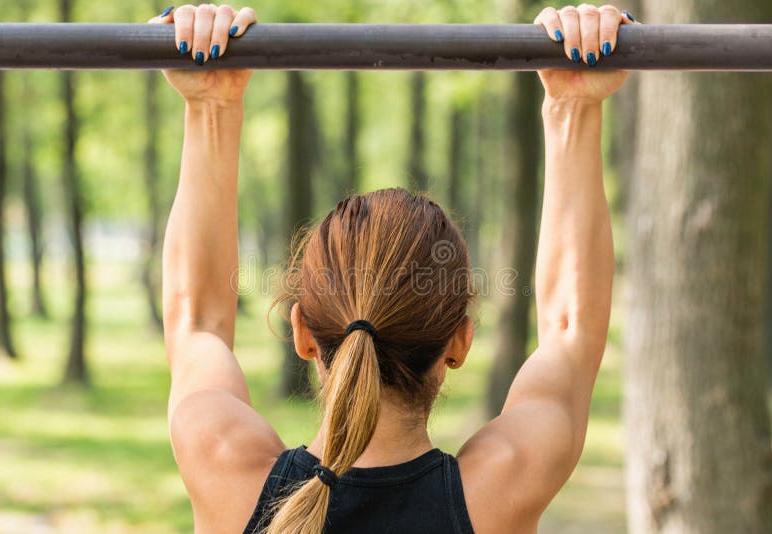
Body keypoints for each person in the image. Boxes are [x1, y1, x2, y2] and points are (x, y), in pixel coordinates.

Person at [151, 4, 632, 533]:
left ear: (302, 332)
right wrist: (573, 105)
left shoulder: (226, 466)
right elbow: (570, 329)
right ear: (460, 343)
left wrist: (211, 105)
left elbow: (196, 319)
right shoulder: (500, 488)